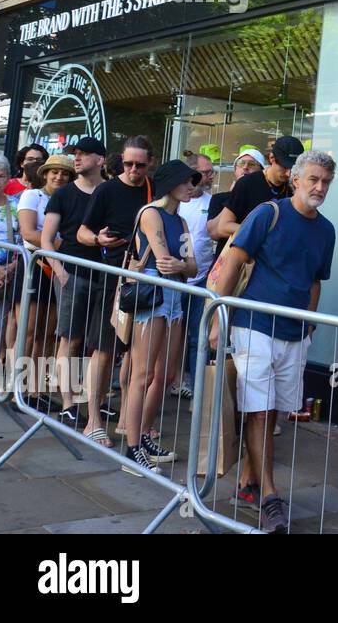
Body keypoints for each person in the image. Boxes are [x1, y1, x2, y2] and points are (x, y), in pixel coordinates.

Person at [208, 150, 338, 534]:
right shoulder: (268, 212)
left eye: (326, 182)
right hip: (254, 323)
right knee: (260, 409)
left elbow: (316, 280)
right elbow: (233, 261)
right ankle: (269, 495)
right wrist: (220, 317)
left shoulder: (326, 230)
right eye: (313, 179)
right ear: (295, 179)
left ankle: (249, 482)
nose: (319, 187)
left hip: (295, 332)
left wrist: (309, 326)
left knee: (275, 410)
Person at [209, 136, 303, 507]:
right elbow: (220, 227)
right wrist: (259, 230)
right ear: (271, 159)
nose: (287, 170)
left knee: (266, 404)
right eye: (283, 163)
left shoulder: (291, 188)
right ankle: (244, 471)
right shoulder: (251, 184)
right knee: (243, 391)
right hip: (242, 280)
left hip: (276, 294)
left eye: (292, 165)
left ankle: (252, 474)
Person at [121, 161, 199, 475]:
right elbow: (168, 261)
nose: (193, 187)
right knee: (142, 374)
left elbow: (190, 266)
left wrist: (181, 266)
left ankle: (141, 435)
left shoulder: (179, 221)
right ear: (172, 184)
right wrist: (181, 266)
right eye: (187, 182)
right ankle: (132, 446)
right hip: (152, 293)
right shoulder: (151, 213)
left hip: (172, 294)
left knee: (164, 373)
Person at [75, 136, 154, 448]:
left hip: (144, 278)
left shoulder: (153, 190)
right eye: (128, 163)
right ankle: (93, 419)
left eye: (140, 165)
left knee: (134, 353)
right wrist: (98, 240)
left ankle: (125, 420)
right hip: (112, 277)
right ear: (120, 161)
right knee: (104, 348)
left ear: (150, 164)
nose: (133, 170)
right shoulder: (107, 189)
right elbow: (82, 232)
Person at [40, 137, 106, 424]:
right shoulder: (64, 194)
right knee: (71, 338)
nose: (76, 158)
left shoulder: (110, 191)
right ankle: (67, 403)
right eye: (74, 153)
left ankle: (93, 402)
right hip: (72, 271)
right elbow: (46, 238)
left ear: (100, 159)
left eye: (83, 153)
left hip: (106, 274)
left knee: (99, 343)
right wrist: (61, 271)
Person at [12, 155, 72, 395]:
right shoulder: (32, 195)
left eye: (65, 173)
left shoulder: (68, 199)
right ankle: (16, 388)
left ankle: (35, 391)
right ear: (45, 174)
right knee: (27, 331)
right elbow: (28, 233)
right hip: (34, 268)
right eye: (54, 172)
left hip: (58, 268)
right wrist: (61, 244)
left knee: (48, 334)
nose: (59, 177)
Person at [175, 150, 218, 399]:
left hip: (201, 279)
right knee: (172, 335)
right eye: (205, 172)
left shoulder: (212, 202)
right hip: (175, 279)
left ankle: (196, 383)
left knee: (196, 334)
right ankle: (174, 378)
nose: (210, 176)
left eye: (211, 171)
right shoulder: (178, 202)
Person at [0, 155, 20, 361]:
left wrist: (10, 268)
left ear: (9, 178)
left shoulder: (16, 205)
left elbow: (25, 244)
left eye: (0, 176)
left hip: (6, 279)